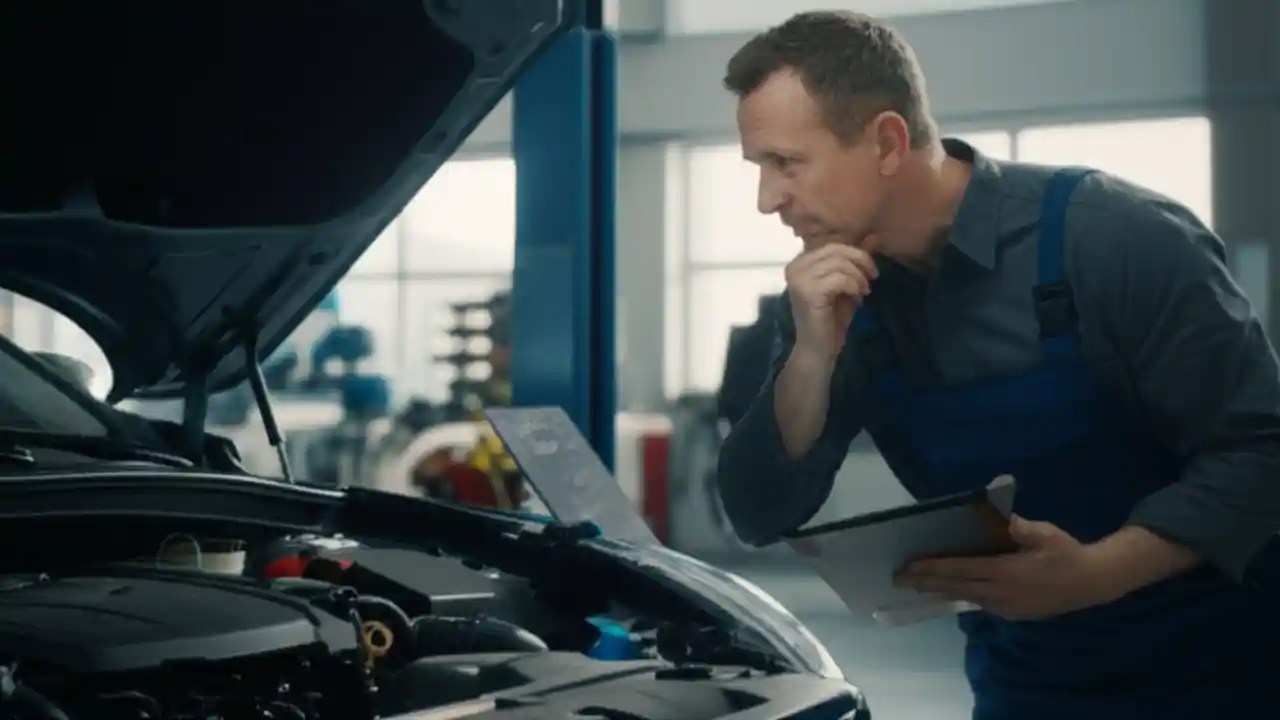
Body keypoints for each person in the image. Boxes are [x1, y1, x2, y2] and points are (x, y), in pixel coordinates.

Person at [715, 10, 1280, 719]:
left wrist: (1098, 574)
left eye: (786, 164)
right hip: (1025, 682)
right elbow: (757, 511)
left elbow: (1262, 451)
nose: (767, 200)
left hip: (1225, 674)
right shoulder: (827, 301)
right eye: (759, 169)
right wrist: (810, 357)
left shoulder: (1116, 238)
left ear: (887, 142)